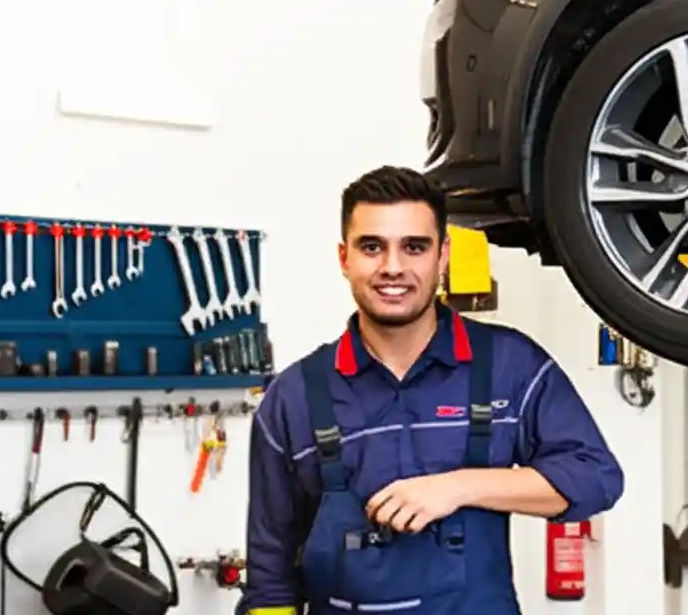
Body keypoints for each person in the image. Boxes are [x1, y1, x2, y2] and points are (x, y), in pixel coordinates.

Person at [236, 166, 625, 615]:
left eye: (414, 247)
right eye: (372, 247)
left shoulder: (507, 365)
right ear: (344, 258)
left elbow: (596, 478)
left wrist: (459, 487)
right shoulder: (294, 398)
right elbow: (270, 581)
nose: (393, 267)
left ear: (443, 256)